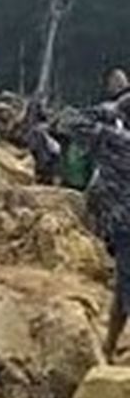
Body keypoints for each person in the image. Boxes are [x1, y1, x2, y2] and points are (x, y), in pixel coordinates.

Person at [59, 101, 130, 360]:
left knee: (126, 286)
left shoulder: (114, 140)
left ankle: (110, 346)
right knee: (123, 286)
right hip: (123, 226)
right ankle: (110, 345)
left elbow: (69, 120)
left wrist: (107, 109)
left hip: (123, 226)